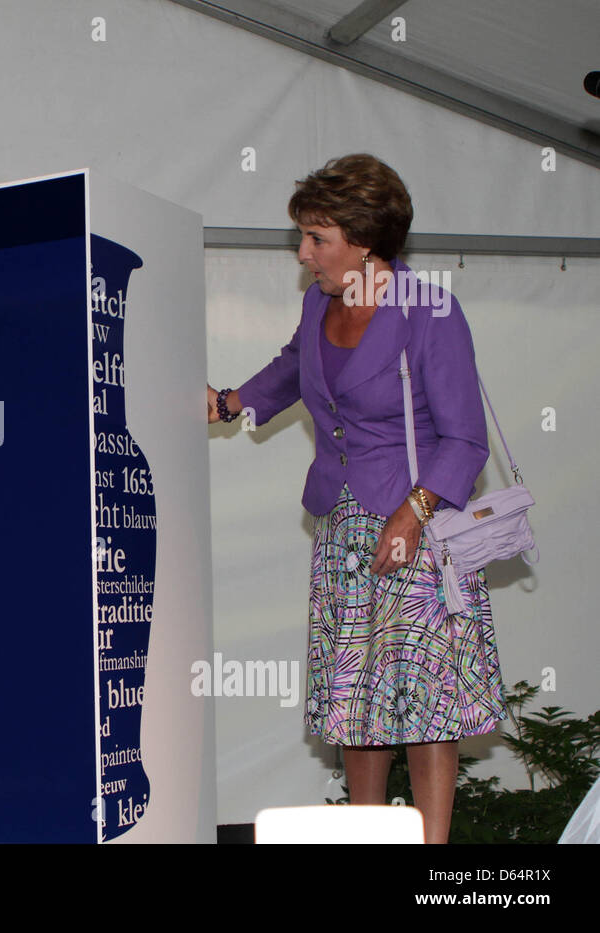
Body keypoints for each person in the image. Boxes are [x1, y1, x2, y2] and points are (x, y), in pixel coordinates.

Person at [208, 154, 507, 844]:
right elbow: (293, 366)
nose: (304, 254)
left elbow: (465, 439)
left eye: (318, 238)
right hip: (343, 524)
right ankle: (371, 838)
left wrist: (408, 515)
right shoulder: (319, 300)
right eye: (303, 237)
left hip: (420, 527)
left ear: (365, 240)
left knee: (427, 705)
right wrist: (228, 402)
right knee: (356, 701)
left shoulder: (429, 309)